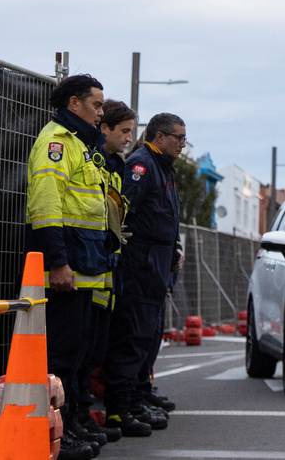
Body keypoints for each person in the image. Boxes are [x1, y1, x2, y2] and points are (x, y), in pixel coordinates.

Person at [25, 74, 114, 460]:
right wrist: (58, 263)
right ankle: (54, 437)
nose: (100, 113)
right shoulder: (57, 143)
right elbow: (46, 205)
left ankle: (70, 425)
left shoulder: (80, 144)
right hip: (66, 270)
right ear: (74, 103)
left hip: (83, 267)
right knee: (60, 355)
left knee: (75, 352)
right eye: (96, 105)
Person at [104, 113, 186, 436]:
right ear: (160, 136)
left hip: (158, 263)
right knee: (133, 335)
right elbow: (125, 212)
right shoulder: (141, 165)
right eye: (178, 137)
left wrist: (173, 249)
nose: (182, 144)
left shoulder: (164, 168)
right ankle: (120, 408)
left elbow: (168, 216)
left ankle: (138, 396)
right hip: (141, 264)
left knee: (149, 335)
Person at [72, 100, 137, 447]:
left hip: (103, 271)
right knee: (78, 350)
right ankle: (76, 417)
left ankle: (81, 416)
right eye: (124, 131)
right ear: (105, 129)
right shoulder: (93, 160)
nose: (129, 138)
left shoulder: (113, 165)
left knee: (93, 350)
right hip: (85, 266)